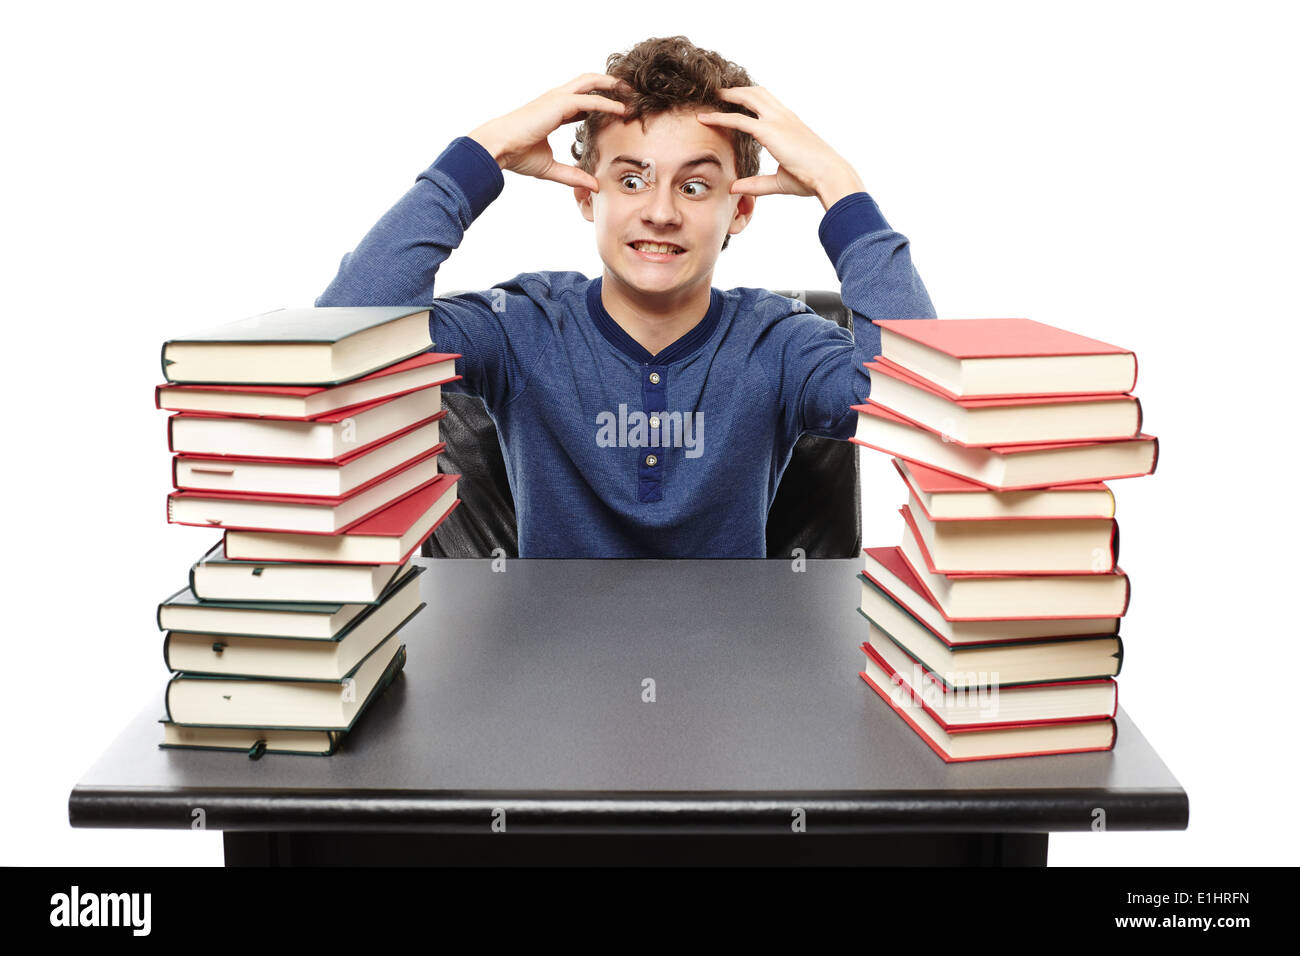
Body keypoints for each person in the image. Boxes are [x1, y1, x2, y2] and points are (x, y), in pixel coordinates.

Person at [316, 35, 935, 557]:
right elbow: (342, 340)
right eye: (632, 180)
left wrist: (841, 187)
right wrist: (483, 154)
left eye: (694, 186)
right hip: (548, 667)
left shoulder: (780, 341)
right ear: (588, 196)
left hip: (736, 666)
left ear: (739, 209)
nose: (660, 212)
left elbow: (924, 410)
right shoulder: (521, 327)